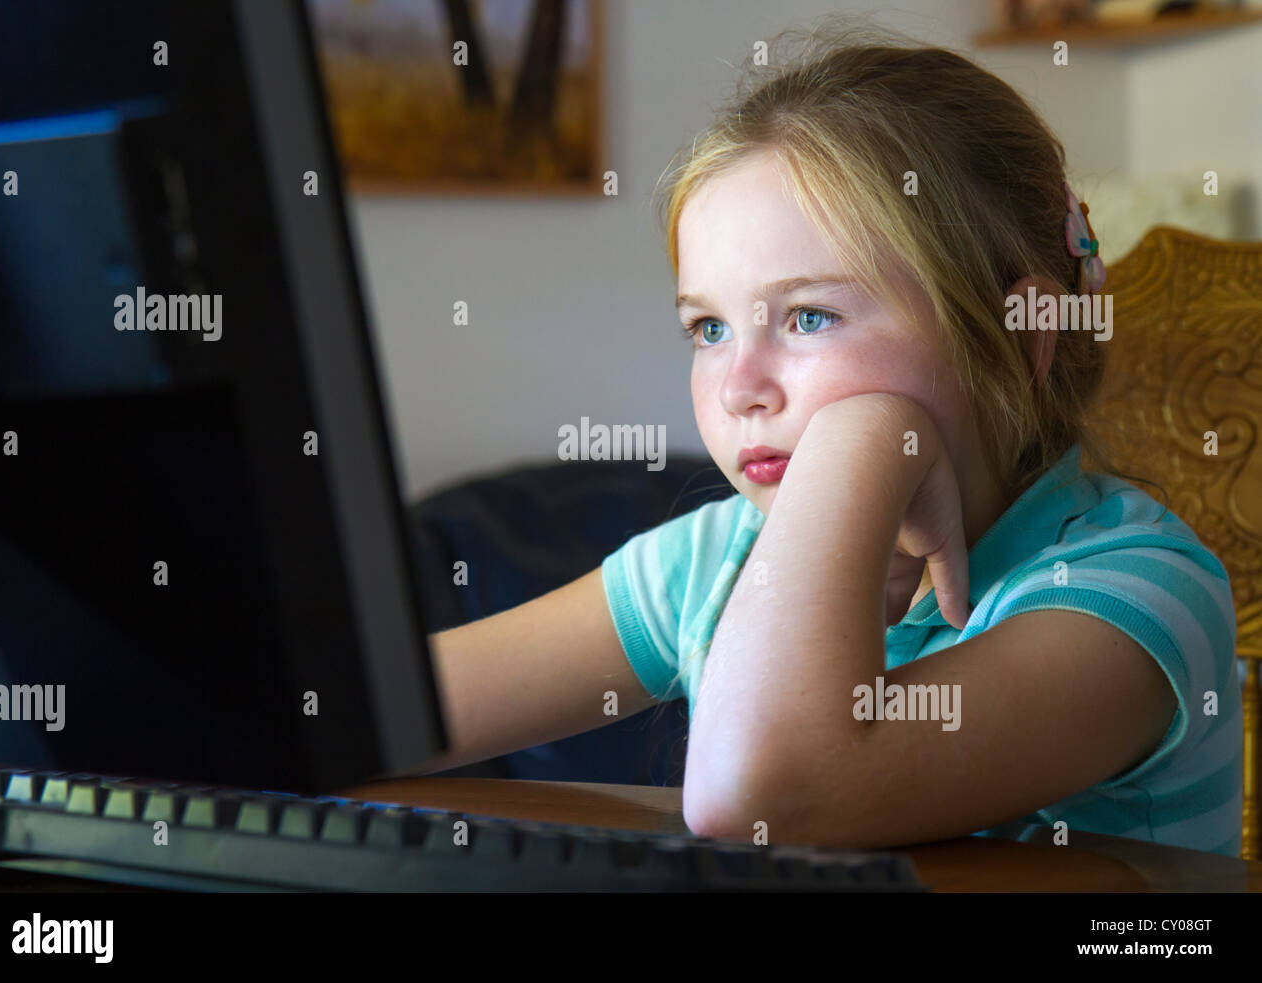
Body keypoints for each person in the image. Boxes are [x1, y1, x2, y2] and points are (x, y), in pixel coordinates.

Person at [416, 21, 1243, 857]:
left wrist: (868, 441)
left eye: (810, 316)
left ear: (1024, 334)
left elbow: (759, 791)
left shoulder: (1132, 594)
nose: (738, 387)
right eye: (707, 328)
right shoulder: (721, 558)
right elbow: (364, 710)